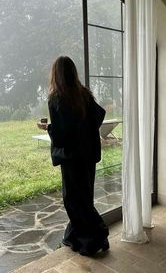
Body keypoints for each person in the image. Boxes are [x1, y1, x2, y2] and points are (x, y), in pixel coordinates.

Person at [37, 56, 109, 256]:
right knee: (84, 197)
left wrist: (48, 128)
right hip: (88, 155)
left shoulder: (56, 98)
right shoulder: (83, 93)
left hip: (72, 158)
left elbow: (61, 134)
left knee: (73, 200)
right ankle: (77, 237)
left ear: (56, 74)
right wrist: (83, 131)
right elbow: (99, 115)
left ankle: (96, 237)